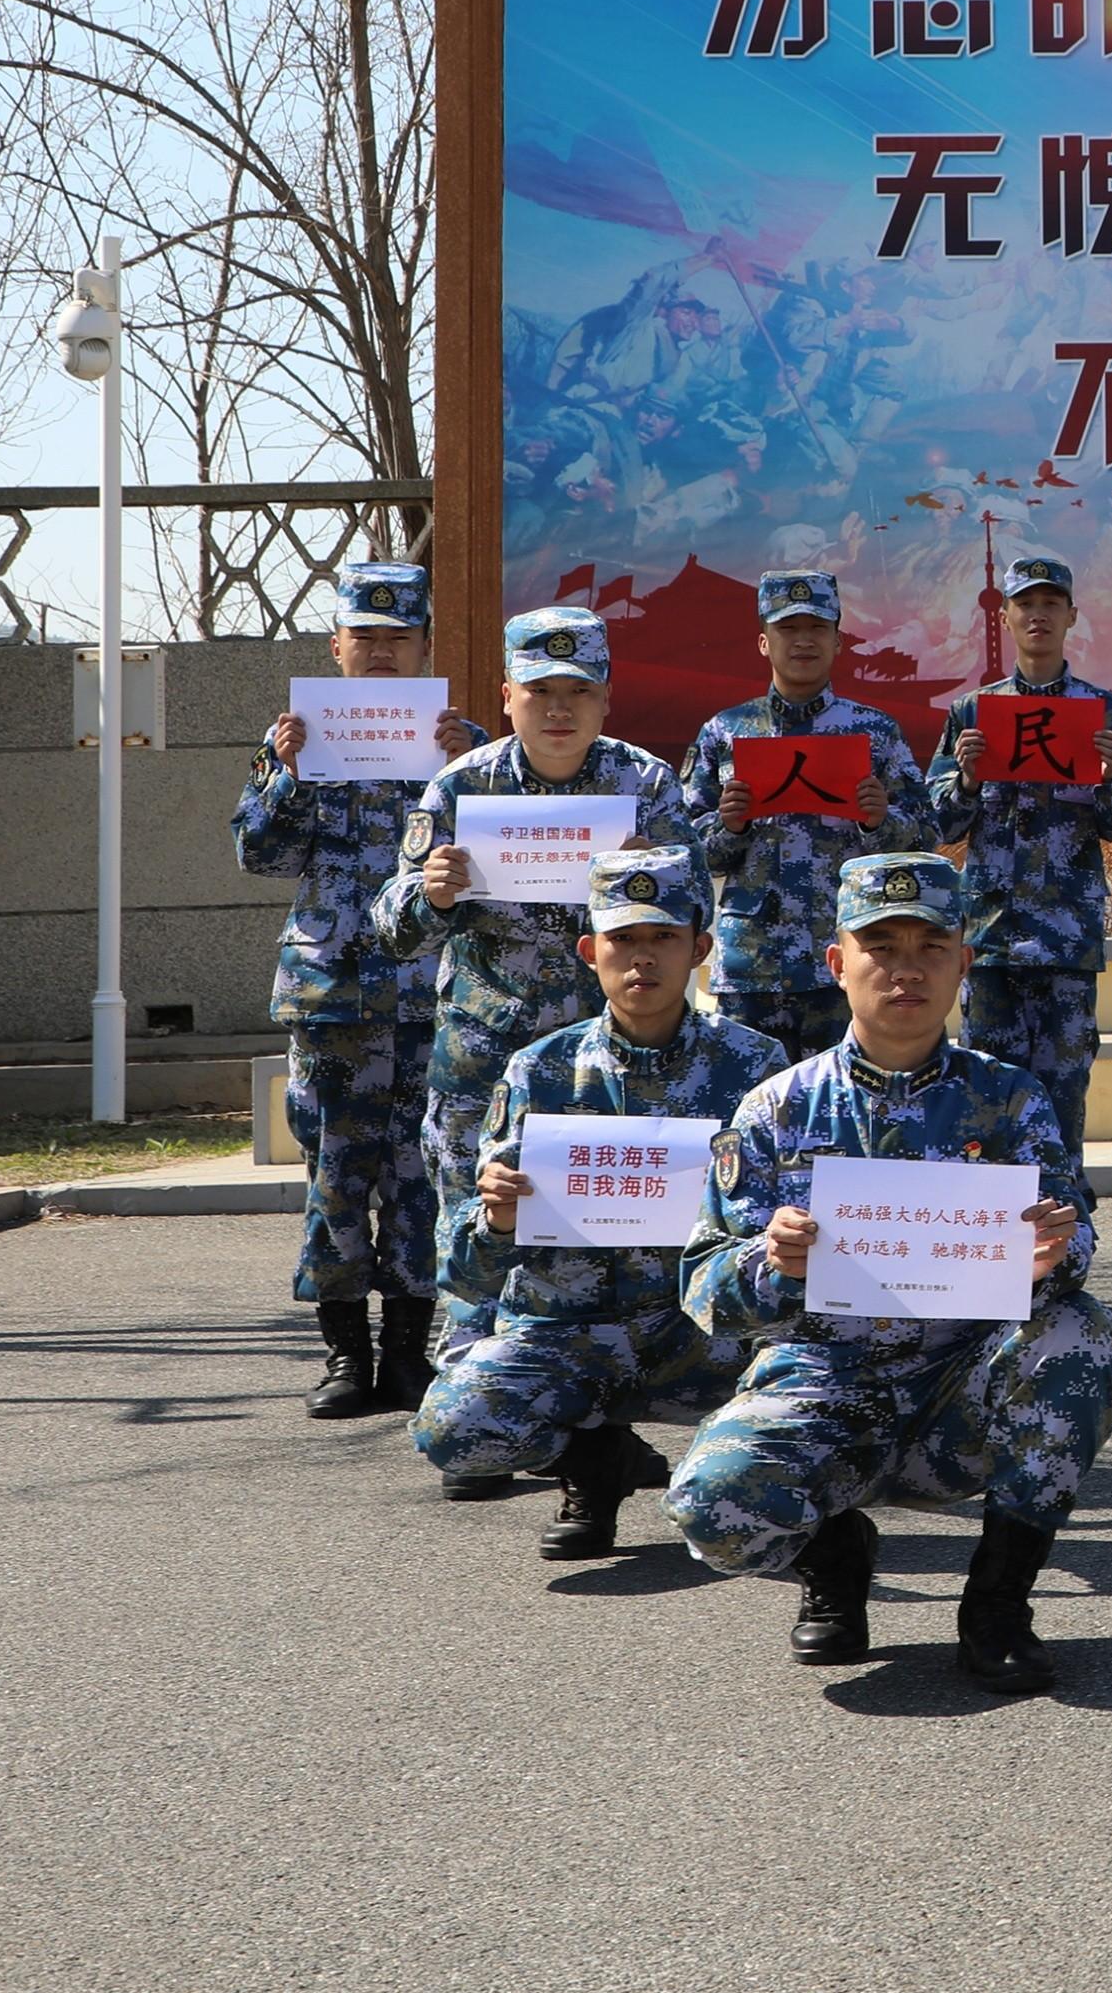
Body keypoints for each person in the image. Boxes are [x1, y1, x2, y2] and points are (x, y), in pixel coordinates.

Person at [665, 853, 1112, 1695]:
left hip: (963, 1383)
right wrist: (772, 1259)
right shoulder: (776, 1109)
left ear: (962, 964)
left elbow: (1075, 1232)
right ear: (838, 964)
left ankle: (996, 1606)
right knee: (710, 1508)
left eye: (930, 947)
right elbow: (702, 1285)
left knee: (1074, 1330)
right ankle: (835, 1560)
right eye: (881, 945)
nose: (906, 967)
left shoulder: (1011, 1101)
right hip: (824, 1383)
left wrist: (1054, 1257)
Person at [411, 848, 789, 1561]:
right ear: (591, 951)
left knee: (797, 1414)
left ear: (700, 947)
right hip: (568, 1333)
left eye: (663, 937)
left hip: (703, 1332)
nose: (642, 958)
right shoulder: (540, 1070)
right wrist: (494, 1220)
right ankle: (593, 1463)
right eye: (623, 939)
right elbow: (463, 1270)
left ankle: (749, 1490)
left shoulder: (756, 1067)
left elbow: (775, 1226)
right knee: (455, 1430)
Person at [373, 607, 692, 1437]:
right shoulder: (460, 786)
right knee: (477, 1220)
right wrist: (431, 890)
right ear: (507, 694)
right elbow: (392, 922)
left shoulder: (645, 786)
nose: (559, 708)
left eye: (578, 691)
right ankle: (475, 1404)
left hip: (613, 1059)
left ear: (606, 699)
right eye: (540, 690)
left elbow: (691, 914)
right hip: (486, 1058)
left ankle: (608, 1414)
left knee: (617, 1224)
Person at [235, 561, 483, 1416]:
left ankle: (411, 1351)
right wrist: (288, 776)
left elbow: (503, 866)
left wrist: (467, 768)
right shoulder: (295, 739)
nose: (379, 652)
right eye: (363, 636)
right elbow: (259, 856)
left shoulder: (467, 744)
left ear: (421, 648)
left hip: (432, 991)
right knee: (337, 1174)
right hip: (334, 992)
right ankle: (345, 1353)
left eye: (397, 637)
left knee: (421, 1174)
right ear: (336, 644)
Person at [927, 553, 1112, 1150]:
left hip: (1065, 937)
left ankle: (1063, 1235)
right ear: (1005, 617)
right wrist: (969, 780)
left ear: (1072, 615)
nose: (1038, 615)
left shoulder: (1103, 713)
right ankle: (987, 1232)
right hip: (991, 938)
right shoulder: (973, 713)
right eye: (1025, 604)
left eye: (1050, 604)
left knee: (1062, 1097)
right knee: (985, 1096)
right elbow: (933, 819)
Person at [678, 569, 934, 1061]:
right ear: (763, 641)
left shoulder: (874, 732)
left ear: (838, 641)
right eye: (788, 629)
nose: (803, 641)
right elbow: (688, 852)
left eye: (816, 629)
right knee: (752, 1111)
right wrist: (728, 826)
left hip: (846, 959)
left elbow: (926, 838)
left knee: (841, 1112)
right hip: (753, 960)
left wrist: (879, 821)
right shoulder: (725, 732)